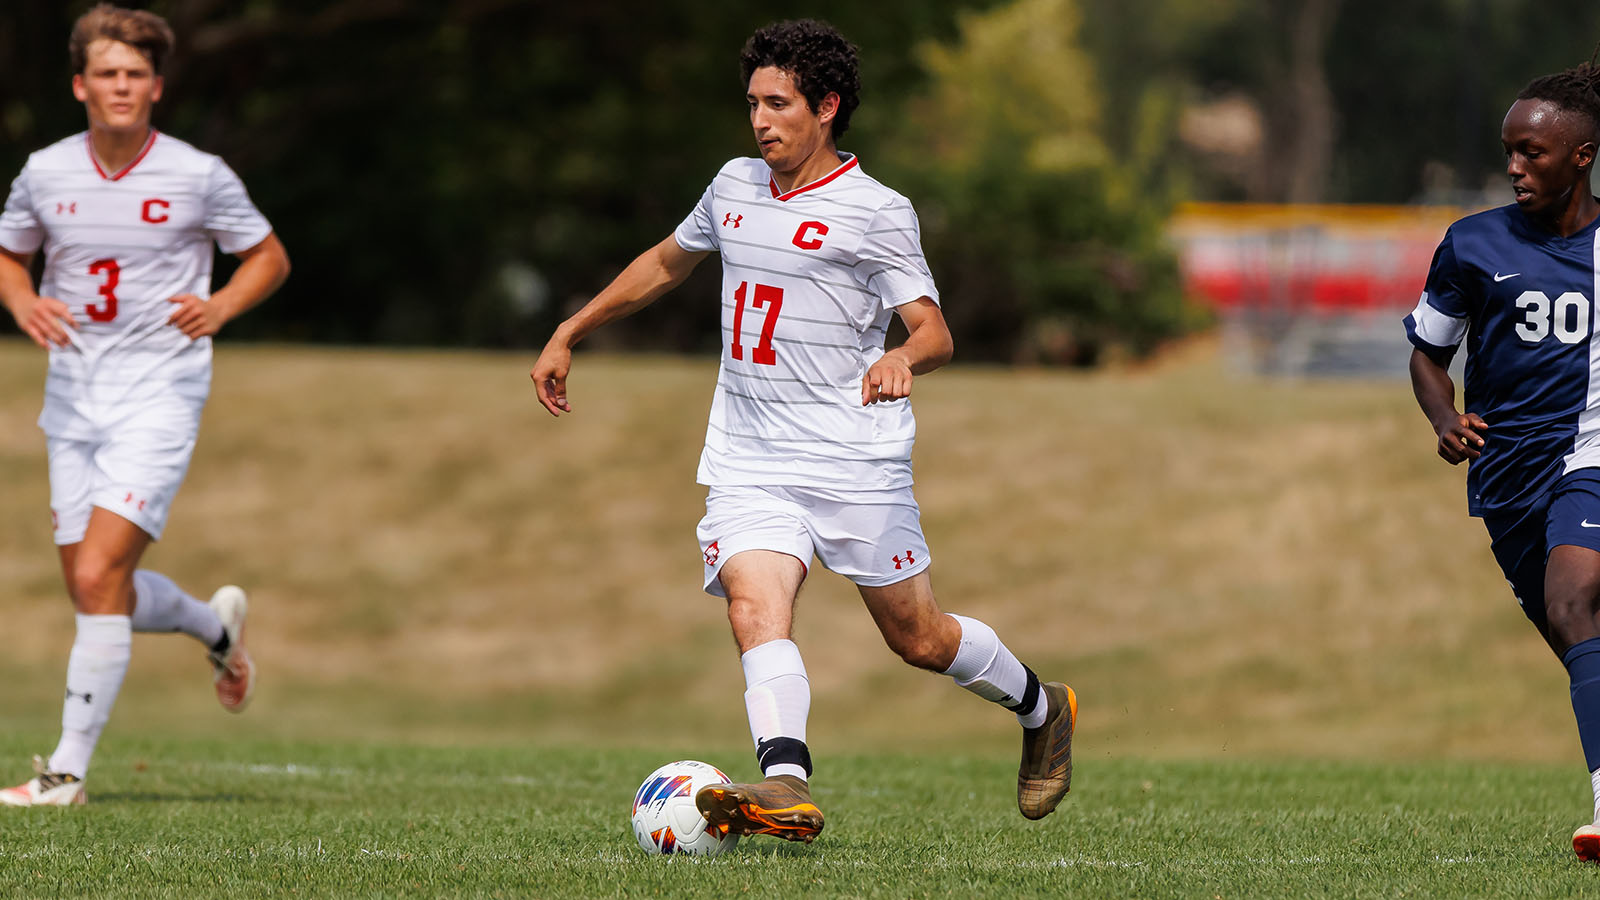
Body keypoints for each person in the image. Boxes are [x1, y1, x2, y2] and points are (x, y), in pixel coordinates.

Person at [531, 19, 1075, 842]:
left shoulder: (877, 211)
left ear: (825, 107)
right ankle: (785, 780)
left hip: (854, 458)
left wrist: (903, 361)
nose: (760, 121)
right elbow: (668, 261)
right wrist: (573, 327)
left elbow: (934, 331)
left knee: (919, 639)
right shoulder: (734, 184)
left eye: (777, 103)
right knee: (754, 603)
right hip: (751, 453)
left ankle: (1044, 709)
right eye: (752, 103)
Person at [0, 4, 289, 807]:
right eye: (107, 74)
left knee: (98, 574)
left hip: (161, 393)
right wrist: (21, 302)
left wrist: (223, 307)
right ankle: (213, 627)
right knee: (97, 589)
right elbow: (8, 254)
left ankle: (64, 775)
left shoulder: (198, 174)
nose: (121, 87)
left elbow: (267, 257)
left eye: (135, 75)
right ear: (80, 86)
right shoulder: (45, 170)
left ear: (155, 88)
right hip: (72, 400)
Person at [1405, 62, 1600, 861]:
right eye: (1509, 152)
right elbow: (1427, 353)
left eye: (1533, 153)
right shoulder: (1472, 243)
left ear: (1581, 155)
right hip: (1506, 477)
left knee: (1576, 598)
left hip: (1589, 453)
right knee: (1577, 638)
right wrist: (1445, 416)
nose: (1515, 167)